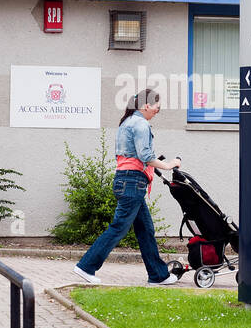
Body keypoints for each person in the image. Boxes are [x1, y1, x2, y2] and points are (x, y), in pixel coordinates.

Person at [73, 89, 184, 286]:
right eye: (157, 105)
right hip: (132, 182)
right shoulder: (140, 123)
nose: (159, 109)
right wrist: (168, 165)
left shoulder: (128, 122)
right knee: (119, 227)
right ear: (146, 105)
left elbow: (135, 155)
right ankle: (86, 266)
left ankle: (158, 276)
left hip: (128, 180)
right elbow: (145, 155)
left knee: (145, 230)